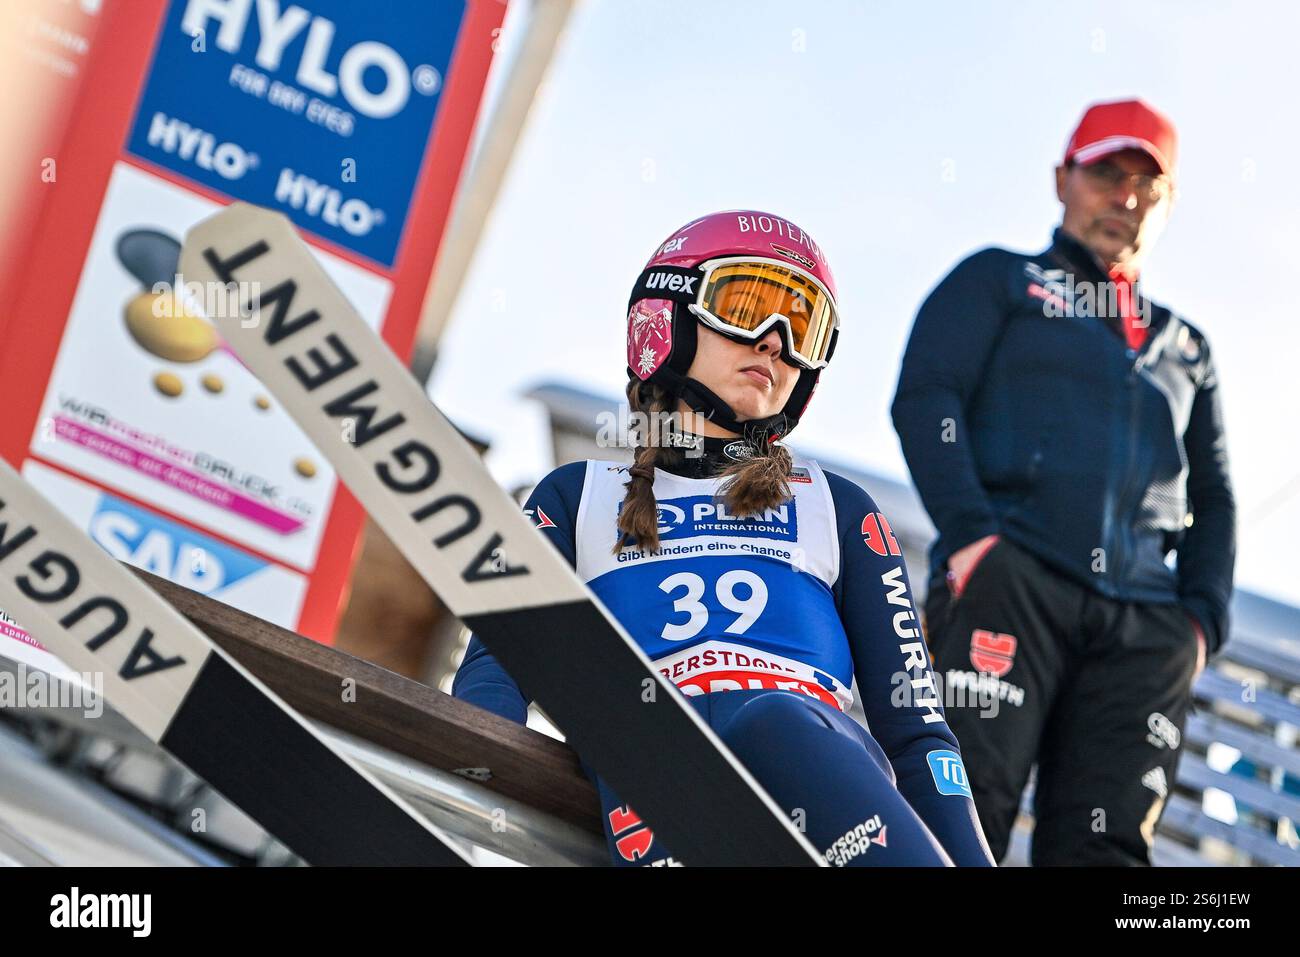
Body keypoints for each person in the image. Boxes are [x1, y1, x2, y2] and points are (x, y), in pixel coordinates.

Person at [454, 210, 995, 867]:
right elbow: (497, 667)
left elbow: (917, 734)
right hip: (657, 785)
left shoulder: (837, 506)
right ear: (670, 319)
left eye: (803, 327)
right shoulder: (577, 497)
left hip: (819, 789)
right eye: (748, 306)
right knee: (663, 749)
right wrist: (466, 817)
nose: (775, 342)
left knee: (772, 721)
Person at [891, 99, 1236, 865]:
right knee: (956, 813)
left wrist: (1200, 623)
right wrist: (975, 538)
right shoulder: (1000, 281)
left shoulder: (1188, 348)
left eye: (1150, 185)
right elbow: (926, 395)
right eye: (1108, 172)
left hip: (1146, 628)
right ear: (1062, 178)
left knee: (1105, 850)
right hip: (1009, 583)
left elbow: (1213, 496)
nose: (1127, 196)